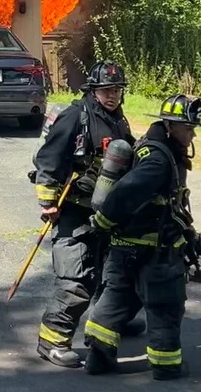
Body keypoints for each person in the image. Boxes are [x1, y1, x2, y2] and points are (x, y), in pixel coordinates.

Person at [82, 94, 201, 381]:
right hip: (156, 251)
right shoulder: (159, 159)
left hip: (125, 247)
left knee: (115, 300)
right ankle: (166, 366)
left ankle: (98, 359)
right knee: (165, 306)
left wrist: (105, 224)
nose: (193, 133)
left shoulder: (154, 148)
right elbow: (127, 192)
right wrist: (104, 219)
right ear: (171, 126)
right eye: (188, 127)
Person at [31, 60, 136, 368]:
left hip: (107, 212)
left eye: (117, 90)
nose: (113, 95)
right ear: (93, 90)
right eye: (106, 90)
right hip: (74, 210)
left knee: (112, 273)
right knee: (75, 278)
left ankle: (109, 324)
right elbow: (48, 158)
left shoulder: (118, 119)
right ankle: (52, 341)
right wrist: (48, 201)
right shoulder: (76, 117)